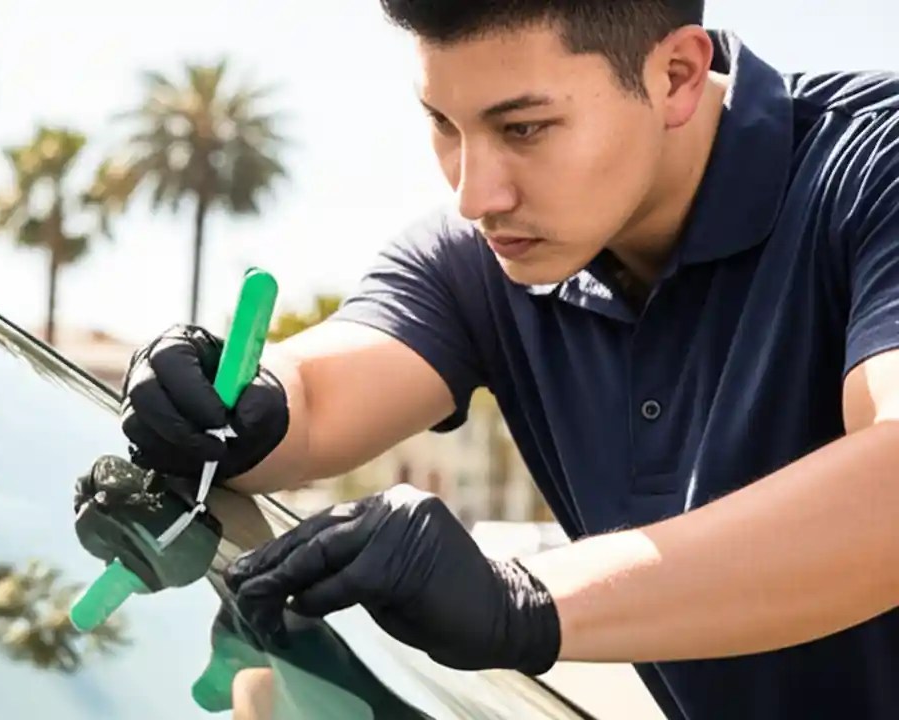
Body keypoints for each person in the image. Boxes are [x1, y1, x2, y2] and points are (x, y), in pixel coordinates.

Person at [86, 1, 899, 717]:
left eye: (523, 129)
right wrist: (232, 403)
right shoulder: (487, 257)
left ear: (677, 76)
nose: (476, 194)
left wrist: (523, 599)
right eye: (444, 123)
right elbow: (317, 395)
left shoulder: (875, 169)